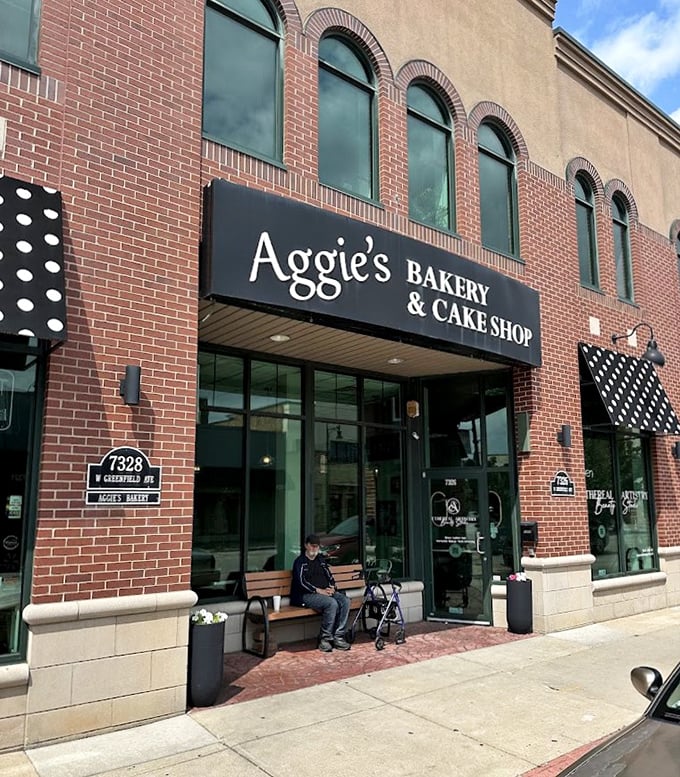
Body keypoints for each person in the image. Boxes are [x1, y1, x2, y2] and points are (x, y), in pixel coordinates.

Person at [290, 533, 351, 652]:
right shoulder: (300, 562)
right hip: (306, 595)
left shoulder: (321, 560)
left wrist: (332, 587)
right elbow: (301, 582)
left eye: (317, 546)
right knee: (331, 603)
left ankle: (338, 636)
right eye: (312, 546)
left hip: (325, 592)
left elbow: (330, 576)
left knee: (345, 601)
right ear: (306, 546)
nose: (314, 548)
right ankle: (325, 639)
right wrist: (318, 590)